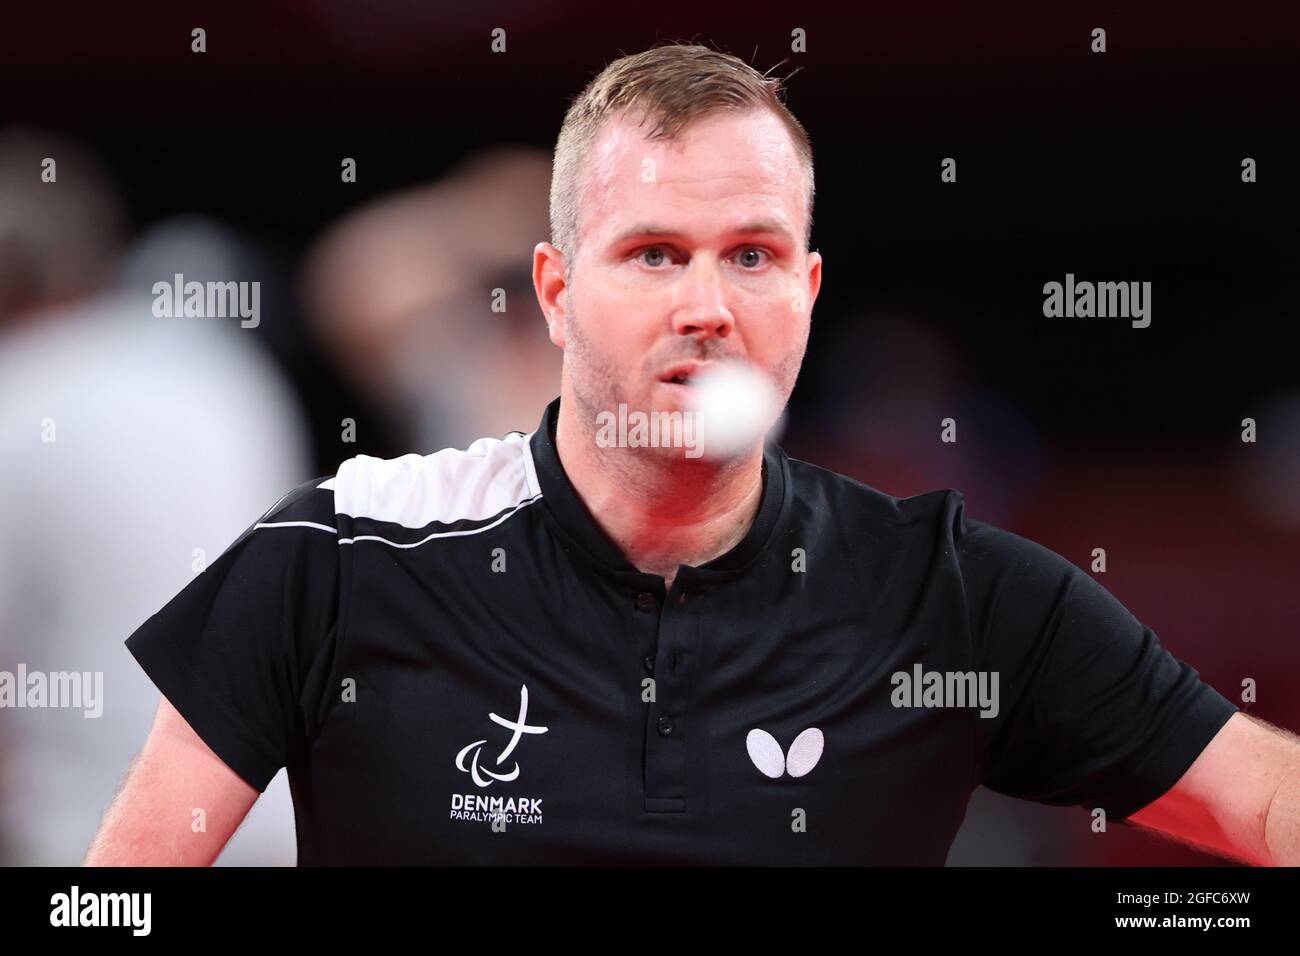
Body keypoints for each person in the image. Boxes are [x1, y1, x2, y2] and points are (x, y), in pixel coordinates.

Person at [86, 43, 1300, 866]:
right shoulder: (336, 555)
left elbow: (1259, 797)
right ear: (555, 293)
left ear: (810, 293)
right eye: (655, 252)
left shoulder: (958, 597)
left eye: (755, 255)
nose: (709, 303)